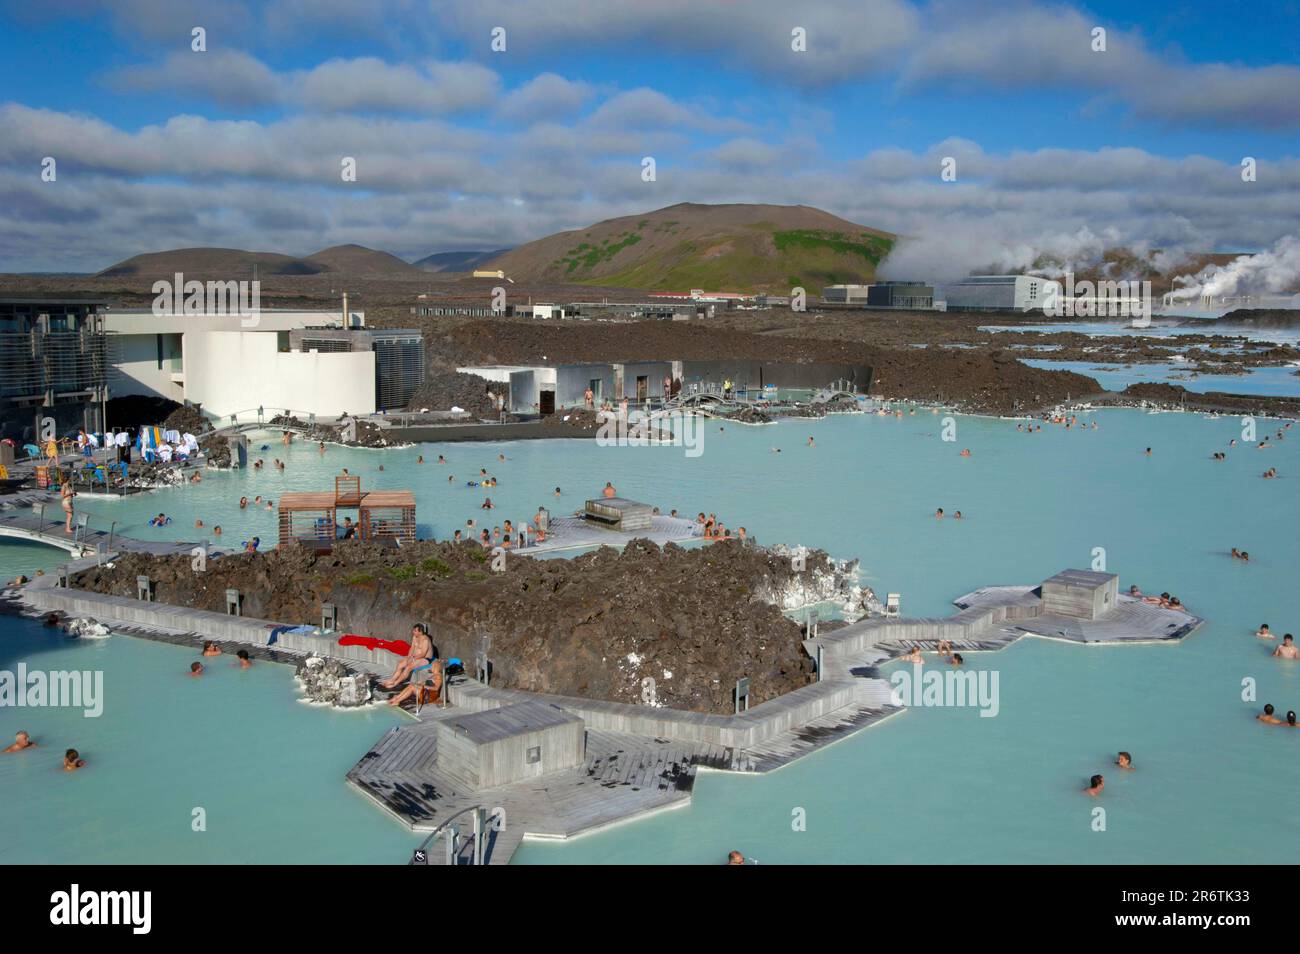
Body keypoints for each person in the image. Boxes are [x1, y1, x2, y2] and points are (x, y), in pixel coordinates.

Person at [379, 623, 435, 690]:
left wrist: (413, 659)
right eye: (413, 630)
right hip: (414, 657)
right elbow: (412, 648)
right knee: (400, 664)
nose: (413, 632)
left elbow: (423, 654)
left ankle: (395, 683)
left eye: (415, 631)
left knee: (408, 667)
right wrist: (409, 657)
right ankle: (391, 680)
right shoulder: (415, 637)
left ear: (420, 632)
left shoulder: (425, 640)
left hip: (425, 659)